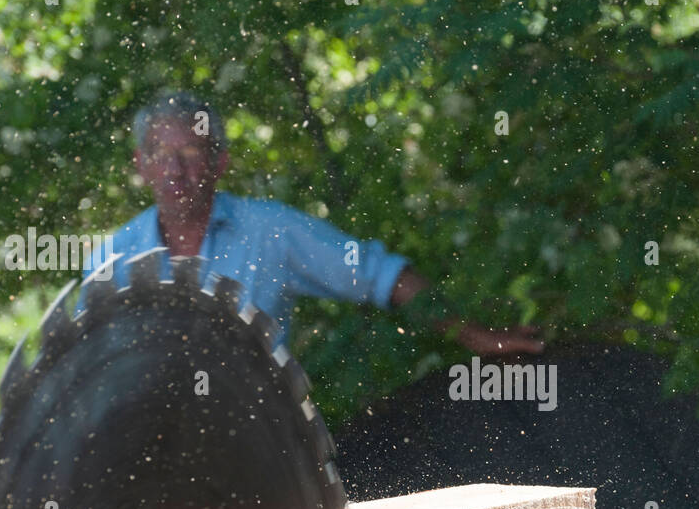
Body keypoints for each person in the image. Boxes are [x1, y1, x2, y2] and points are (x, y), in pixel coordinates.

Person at [82, 91, 543, 357]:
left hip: (262, 448)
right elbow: (92, 371)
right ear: (141, 165)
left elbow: (381, 276)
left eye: (190, 156)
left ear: (219, 163)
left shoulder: (270, 230)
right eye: (162, 156)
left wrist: (477, 336)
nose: (175, 171)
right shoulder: (112, 259)